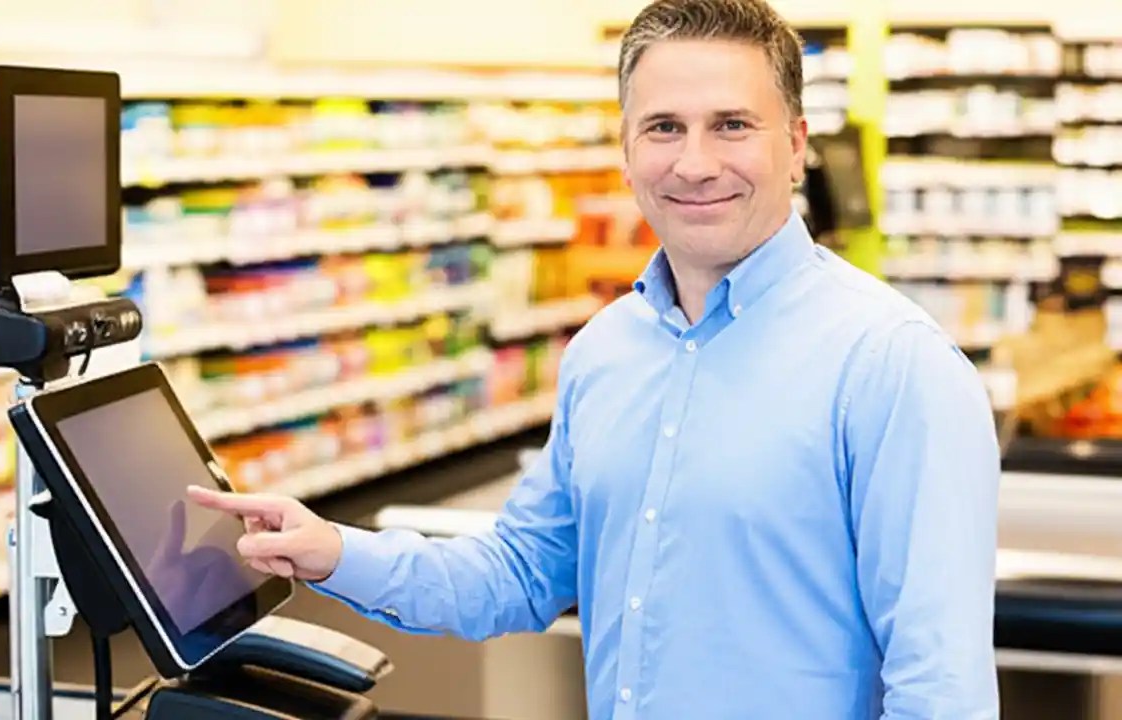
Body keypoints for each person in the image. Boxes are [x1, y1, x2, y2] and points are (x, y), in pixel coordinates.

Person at [188, 0, 1003, 717]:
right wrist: (333, 550)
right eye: (663, 127)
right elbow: (519, 573)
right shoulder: (606, 352)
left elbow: (941, 687)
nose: (694, 163)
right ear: (625, 150)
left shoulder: (893, 365)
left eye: (732, 124)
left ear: (795, 146)